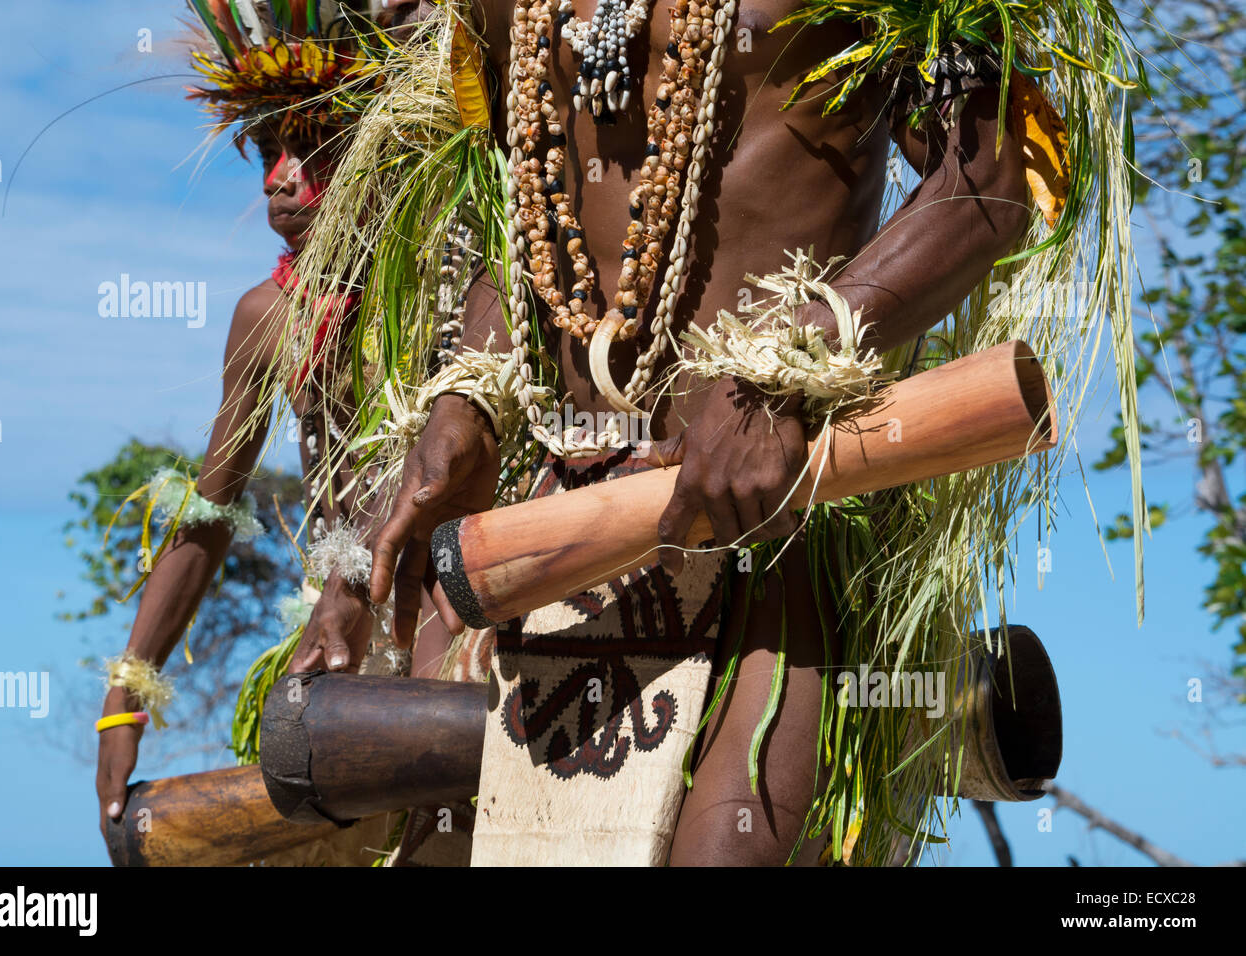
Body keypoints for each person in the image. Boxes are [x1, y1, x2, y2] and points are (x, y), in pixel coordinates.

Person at [287, 0, 1144, 865]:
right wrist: (460, 411)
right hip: (537, 531)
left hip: (774, 534)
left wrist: (783, 368)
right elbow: (514, 209)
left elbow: (993, 177)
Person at [95, 1, 461, 863]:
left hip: (464, 614)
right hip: (336, 661)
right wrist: (127, 691)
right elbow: (211, 512)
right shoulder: (269, 314)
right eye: (267, 152)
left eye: (312, 147)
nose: (279, 178)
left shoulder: (459, 279)